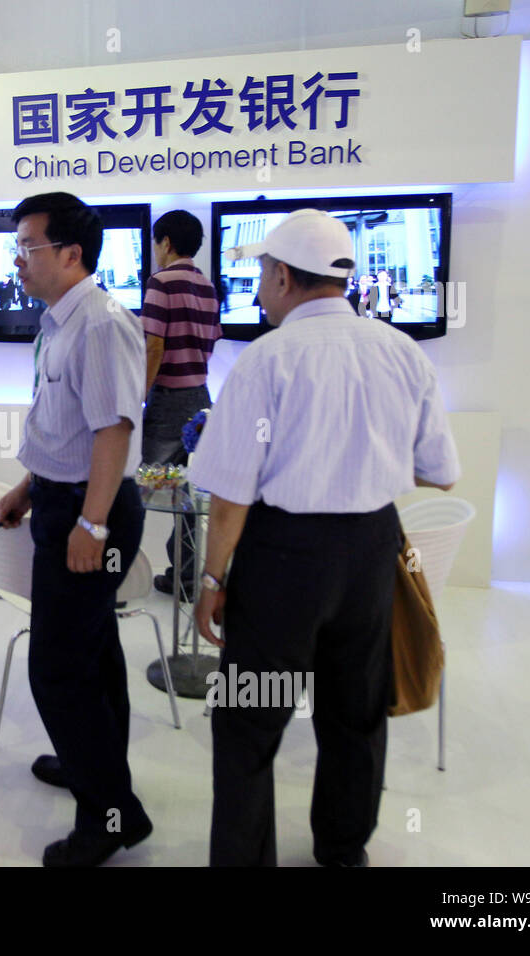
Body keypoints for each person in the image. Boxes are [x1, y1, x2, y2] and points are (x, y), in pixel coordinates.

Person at [187, 209, 461, 867]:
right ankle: (343, 851)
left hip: (283, 558)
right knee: (355, 713)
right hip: (371, 552)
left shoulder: (264, 361)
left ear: (283, 276)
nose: (256, 289)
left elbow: (231, 495)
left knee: (251, 720)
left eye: (258, 274)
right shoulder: (401, 351)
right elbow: (442, 474)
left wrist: (213, 580)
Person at [0, 192, 151, 867]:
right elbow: (65, 422)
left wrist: (90, 523)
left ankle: (111, 816)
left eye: (27, 247)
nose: (18, 260)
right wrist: (31, 486)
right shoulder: (59, 319)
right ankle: (98, 773)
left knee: (56, 669)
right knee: (93, 656)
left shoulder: (100, 323)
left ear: (70, 253)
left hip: (95, 511)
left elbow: (113, 429)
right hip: (65, 500)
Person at [139, 209, 222, 598]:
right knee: (188, 495)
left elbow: (154, 344)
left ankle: (117, 573)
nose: (155, 251)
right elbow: (211, 340)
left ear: (166, 243)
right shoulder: (206, 285)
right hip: (201, 397)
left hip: (167, 397)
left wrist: (141, 392)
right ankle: (185, 577)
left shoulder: (160, 282)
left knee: (136, 489)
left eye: (157, 243)